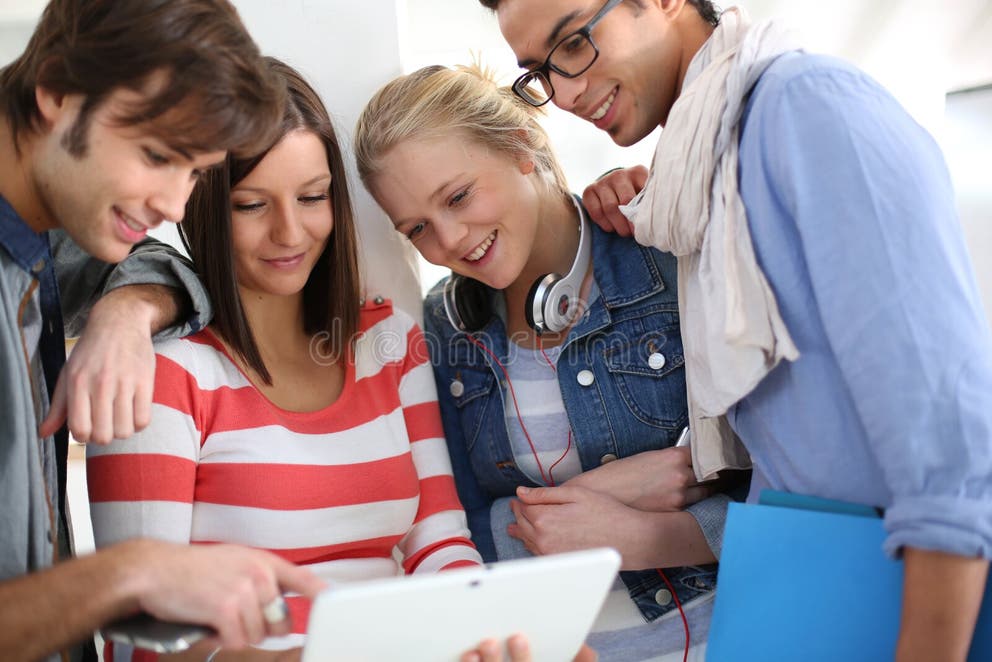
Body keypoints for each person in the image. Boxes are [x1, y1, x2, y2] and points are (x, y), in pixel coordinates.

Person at [480, 0, 992, 660]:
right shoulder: (699, 176)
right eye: (540, 73)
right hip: (804, 581)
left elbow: (950, 445)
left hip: (899, 598)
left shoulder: (806, 110)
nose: (568, 91)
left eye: (576, 41)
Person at [87, 57, 486, 662]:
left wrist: (480, 633)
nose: (291, 232)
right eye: (252, 205)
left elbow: (438, 544)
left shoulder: (390, 344)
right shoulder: (159, 374)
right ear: (202, 208)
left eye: (312, 197)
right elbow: (138, 639)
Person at [355, 63, 747, 661]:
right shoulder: (444, 324)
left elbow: (777, 489)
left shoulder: (661, 253)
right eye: (418, 229)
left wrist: (649, 537)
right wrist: (594, 497)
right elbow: (458, 528)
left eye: (458, 196)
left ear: (520, 147)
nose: (452, 240)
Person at [0, 2, 329, 660]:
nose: (174, 206)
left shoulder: (44, 230)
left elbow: (162, 266)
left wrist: (126, 312)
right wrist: (131, 572)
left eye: (198, 173)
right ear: (58, 91)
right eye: (156, 156)